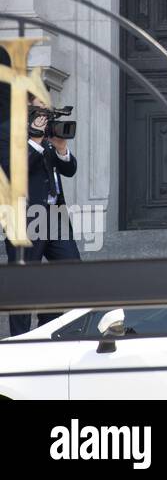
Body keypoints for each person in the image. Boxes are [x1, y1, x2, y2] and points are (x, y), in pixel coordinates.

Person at [4, 99, 82, 335]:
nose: (45, 116)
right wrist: (36, 140)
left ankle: (49, 323)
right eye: (40, 111)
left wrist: (60, 148)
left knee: (72, 272)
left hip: (55, 216)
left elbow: (69, 170)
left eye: (47, 111)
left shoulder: (47, 138)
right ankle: (20, 339)